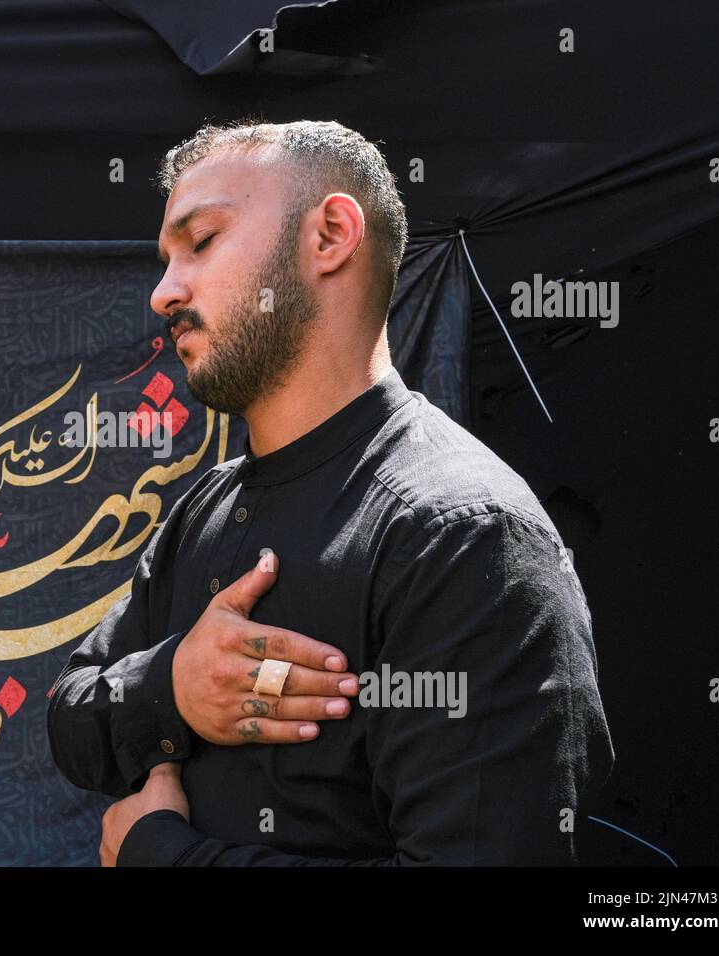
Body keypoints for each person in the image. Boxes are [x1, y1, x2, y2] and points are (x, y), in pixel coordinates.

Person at [45, 118, 615, 866]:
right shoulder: (200, 514)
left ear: (331, 235)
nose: (164, 292)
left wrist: (163, 855)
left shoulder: (464, 534)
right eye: (165, 259)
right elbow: (70, 717)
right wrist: (175, 687)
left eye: (202, 240)